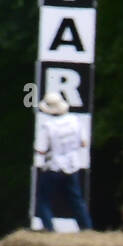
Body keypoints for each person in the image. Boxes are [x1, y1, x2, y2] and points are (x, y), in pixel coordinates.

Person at [34, 91, 93, 231]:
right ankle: (87, 228)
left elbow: (40, 150)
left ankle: (49, 229)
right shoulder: (75, 121)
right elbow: (84, 143)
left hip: (54, 167)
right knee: (76, 200)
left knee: (43, 200)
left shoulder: (48, 126)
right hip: (72, 166)